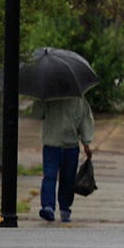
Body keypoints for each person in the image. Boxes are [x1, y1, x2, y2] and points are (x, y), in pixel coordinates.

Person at [35, 88, 94, 224]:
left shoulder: (52, 97)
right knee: (61, 178)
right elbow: (86, 123)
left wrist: (86, 144)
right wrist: (86, 144)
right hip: (64, 145)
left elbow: (37, 114)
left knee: (56, 177)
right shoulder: (79, 100)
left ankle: (54, 206)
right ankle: (57, 207)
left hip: (56, 144)